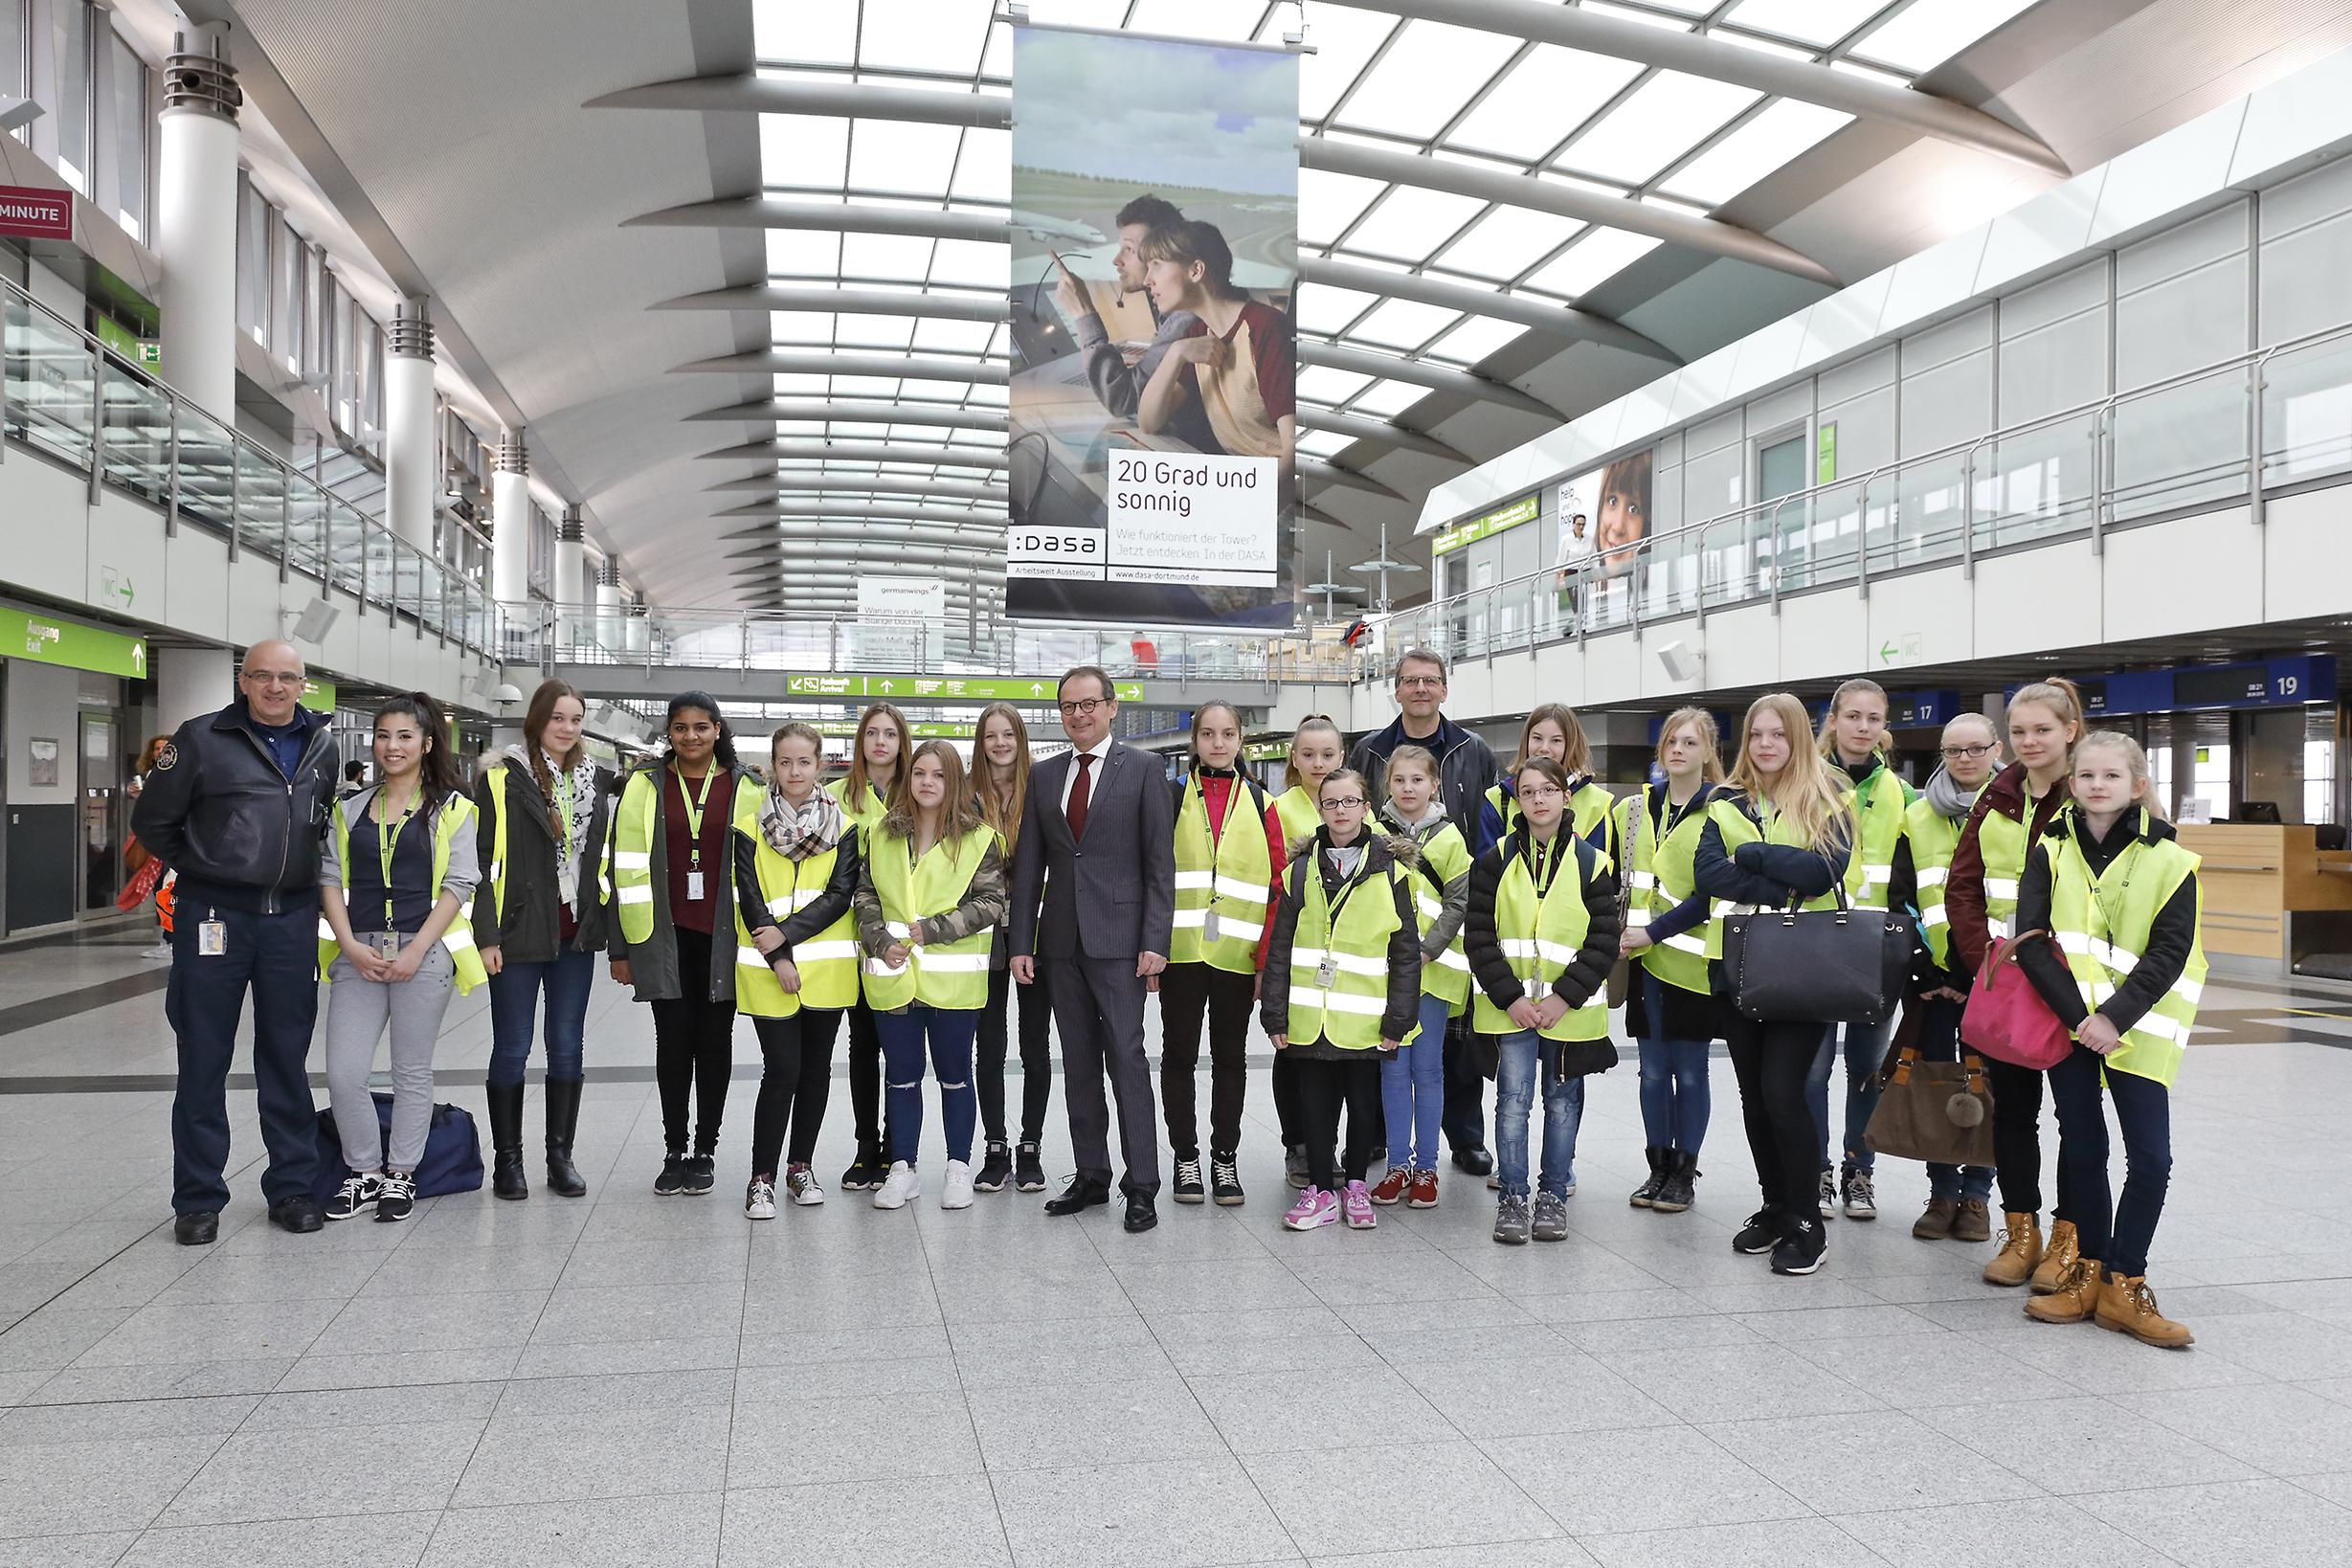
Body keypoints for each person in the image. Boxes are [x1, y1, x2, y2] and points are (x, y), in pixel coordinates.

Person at [132, 638, 342, 1244]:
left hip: (291, 922)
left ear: (303, 684)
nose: (275, 687)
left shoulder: (323, 745)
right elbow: (152, 822)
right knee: (203, 1058)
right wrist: (208, 868)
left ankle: (293, 1188)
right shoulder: (201, 739)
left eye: (287, 678)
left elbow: (317, 826)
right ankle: (198, 1199)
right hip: (214, 918)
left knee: (286, 1057)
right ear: (243, 681)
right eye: (262, 676)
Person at [2013, 733, 2205, 1349]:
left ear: (2137, 786)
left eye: (2112, 776)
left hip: (2139, 1027)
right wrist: (2080, 1019)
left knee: (2151, 1159)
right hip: (2070, 1025)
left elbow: (2170, 952)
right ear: (2072, 784)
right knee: (2084, 1147)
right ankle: (2088, 1275)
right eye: (2088, 775)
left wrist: (2113, 1019)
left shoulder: (2172, 860)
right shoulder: (2050, 848)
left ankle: (2127, 1282)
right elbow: (2030, 941)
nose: (2098, 785)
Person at [1009, 665, 1176, 1234]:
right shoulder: (1044, 774)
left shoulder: (1144, 769)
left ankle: (1142, 1185)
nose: (1078, 715)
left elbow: (1159, 864)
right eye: (1068, 706)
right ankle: (1091, 1173)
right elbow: (1030, 866)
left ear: (1111, 707)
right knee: (1077, 1061)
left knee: (1127, 1058)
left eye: (1088, 704)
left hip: (1122, 944)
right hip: (1060, 944)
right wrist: (1022, 942)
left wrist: (1155, 941)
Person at [1694, 693, 1855, 1277]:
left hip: (1803, 970)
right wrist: (1782, 882)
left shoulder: (1830, 795)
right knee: (1755, 1098)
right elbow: (1709, 874)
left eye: (1778, 734)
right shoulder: (1724, 799)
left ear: (1799, 739)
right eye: (1757, 734)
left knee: (1784, 1093)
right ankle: (1776, 1206)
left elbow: (1823, 871)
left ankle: (1808, 1221)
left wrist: (1754, 853)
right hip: (1737, 966)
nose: (1765, 744)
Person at [317, 694, 484, 1223]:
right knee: (344, 1072)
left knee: (411, 1070)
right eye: (383, 736)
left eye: (405, 737)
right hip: (358, 951)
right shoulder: (348, 808)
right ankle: (363, 1171)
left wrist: (416, 951)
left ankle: (402, 1174)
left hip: (424, 951)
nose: (392, 746)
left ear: (426, 744)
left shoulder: (454, 809)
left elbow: (460, 884)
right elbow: (329, 878)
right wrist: (348, 944)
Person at [1342, 649, 1500, 1180]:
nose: (1420, 689)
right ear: (1397, 689)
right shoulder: (1369, 750)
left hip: (1445, 946)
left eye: (1430, 680)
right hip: (1388, 957)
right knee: (1388, 1054)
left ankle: (1464, 1139)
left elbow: (1486, 830)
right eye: (1410, 680)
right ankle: (1383, 1143)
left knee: (1453, 1052)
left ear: (1444, 689)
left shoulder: (1473, 750)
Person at [1949, 679, 2082, 1291]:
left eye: (2043, 730)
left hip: (2074, 985)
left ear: (2070, 732)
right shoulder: (1996, 796)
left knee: (2078, 1120)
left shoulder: (2087, 794)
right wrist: (1982, 958)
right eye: (2020, 731)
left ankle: (2069, 1240)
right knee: (2014, 1114)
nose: (2030, 742)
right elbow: (1963, 885)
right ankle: (2021, 1232)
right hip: (2007, 981)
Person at [1465, 756, 1621, 1244]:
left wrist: (1562, 999)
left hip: (1566, 1015)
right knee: (1512, 1104)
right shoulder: (1493, 860)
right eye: (1528, 791)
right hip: (1509, 1011)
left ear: (1566, 797)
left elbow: (1602, 942)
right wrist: (1511, 998)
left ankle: (1552, 1194)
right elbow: (1479, 938)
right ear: (1517, 801)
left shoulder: (1593, 863)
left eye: (1548, 790)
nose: (1538, 799)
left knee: (1562, 1103)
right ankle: (1513, 1197)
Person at [473, 680, 616, 1202]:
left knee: (567, 1045)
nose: (567, 728)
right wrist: (485, 935)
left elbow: (600, 857)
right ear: (537, 720)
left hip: (575, 931)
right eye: (558, 718)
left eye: (576, 719)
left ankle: (560, 1158)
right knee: (512, 1046)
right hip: (517, 930)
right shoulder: (502, 778)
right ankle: (508, 1161)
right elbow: (480, 861)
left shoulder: (596, 781)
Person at [1262, 769, 1421, 1233]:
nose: (1340, 811)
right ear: (1320, 810)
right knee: (1315, 1105)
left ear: (1366, 808)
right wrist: (1274, 1014)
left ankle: (1355, 1185)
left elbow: (1405, 953)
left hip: (1365, 1020)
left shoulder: (1391, 872)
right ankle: (1319, 1190)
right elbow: (1280, 948)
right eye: (1331, 803)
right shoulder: (1299, 871)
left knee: (1363, 1104)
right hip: (1309, 1018)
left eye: (1350, 802)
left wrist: (1398, 1019)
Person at [608, 692, 752, 1197]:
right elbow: (619, 866)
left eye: (701, 727)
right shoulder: (644, 784)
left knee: (715, 1043)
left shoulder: (745, 786)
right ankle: (674, 1149)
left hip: (724, 940)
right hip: (660, 937)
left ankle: (705, 1148)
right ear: (669, 733)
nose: (691, 737)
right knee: (671, 1044)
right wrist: (620, 949)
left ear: (718, 730)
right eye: (680, 728)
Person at [856, 740, 1009, 1212]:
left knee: (955, 1076)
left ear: (954, 782)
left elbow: (992, 902)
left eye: (939, 775)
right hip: (893, 976)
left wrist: (934, 929)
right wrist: (879, 940)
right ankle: (903, 1168)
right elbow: (864, 895)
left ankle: (958, 1167)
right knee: (901, 1077)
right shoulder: (882, 833)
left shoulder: (980, 838)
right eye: (920, 773)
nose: (927, 782)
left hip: (953, 983)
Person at [732, 722, 862, 1218]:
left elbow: (840, 895)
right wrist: (778, 956)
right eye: (784, 762)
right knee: (782, 1069)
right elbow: (749, 895)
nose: (794, 771)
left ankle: (800, 1167)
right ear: (772, 765)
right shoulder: (749, 827)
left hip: (825, 972)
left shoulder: (844, 827)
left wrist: (784, 936)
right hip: (768, 971)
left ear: (819, 764)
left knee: (815, 1072)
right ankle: (760, 1176)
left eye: (803, 762)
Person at [1162, 701, 1285, 1206]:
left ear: (1240, 741)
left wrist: (1264, 963)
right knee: (1178, 1056)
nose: (1218, 743)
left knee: (1230, 1059)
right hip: (1181, 954)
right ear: (1195, 741)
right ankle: (1185, 1156)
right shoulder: (1171, 796)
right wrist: (1151, 949)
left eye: (1227, 734)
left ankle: (1224, 1156)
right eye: (1208, 734)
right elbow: (1153, 877)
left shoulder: (1260, 803)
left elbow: (1277, 888)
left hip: (1238, 954)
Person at [1809, 678, 1916, 1222]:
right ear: (1833, 721)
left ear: (1884, 726)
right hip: (1816, 944)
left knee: (1867, 1068)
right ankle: (1816, 1170)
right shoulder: (1805, 781)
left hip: (1877, 950)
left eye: (1873, 718)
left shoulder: (1901, 793)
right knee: (1812, 1070)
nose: (1863, 727)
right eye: (1853, 716)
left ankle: (1859, 1170)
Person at [1620, 707, 1727, 1215]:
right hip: (1643, 963)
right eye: (1671, 741)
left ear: (1708, 752)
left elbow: (1714, 892)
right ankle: (1657, 1167)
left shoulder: (1723, 810)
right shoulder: (1634, 809)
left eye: (1690, 742)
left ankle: (1684, 1172)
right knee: (1651, 1073)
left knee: (1691, 1070)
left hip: (1694, 963)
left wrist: (1653, 931)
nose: (1679, 750)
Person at [1902, 712, 2003, 1243]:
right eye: (1953, 750)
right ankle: (1942, 1191)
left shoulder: (2014, 812)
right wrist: (1924, 965)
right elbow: (1900, 895)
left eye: (1975, 748)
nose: (1964, 759)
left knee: (1987, 1084)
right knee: (1938, 1082)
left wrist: (1969, 970)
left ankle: (1978, 1195)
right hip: (1932, 979)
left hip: (1994, 978)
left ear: (1996, 749)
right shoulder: (1916, 815)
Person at [1369, 744, 1472, 1210]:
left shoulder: (1450, 838)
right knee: (1393, 1069)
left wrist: (1427, 950)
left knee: (1427, 1070)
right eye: (1399, 780)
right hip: (1387, 975)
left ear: (1434, 785)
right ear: (1387, 785)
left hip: (1433, 972)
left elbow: (1458, 902)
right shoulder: (1375, 833)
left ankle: (1427, 1167)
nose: (1408, 788)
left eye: (1417, 780)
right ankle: (1398, 1165)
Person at [1050, 192, 1221, 453]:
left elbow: (1123, 399)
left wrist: (1083, 312)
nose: (1116, 260)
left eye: (1130, 249)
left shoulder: (1187, 319)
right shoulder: (1178, 312)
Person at [971, 702, 1051, 1196]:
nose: (1000, 744)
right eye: (991, 736)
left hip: (1034, 933)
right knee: (990, 1044)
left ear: (1021, 740)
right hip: (981, 936)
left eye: (1008, 735)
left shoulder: (1040, 788)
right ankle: (995, 1146)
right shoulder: (966, 795)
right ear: (980, 744)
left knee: (1035, 1043)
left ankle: (1031, 1145)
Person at [1135, 219, 1296, 466]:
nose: (1147, 280)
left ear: (1196, 271)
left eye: (1156, 264)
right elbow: (1148, 421)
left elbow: (1294, 452)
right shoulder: (1198, 334)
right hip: (1242, 477)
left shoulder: (1265, 327)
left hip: (1278, 483)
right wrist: (1175, 353)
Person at [830, 702, 907, 1192]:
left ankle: (898, 1146)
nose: (881, 742)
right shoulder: (836, 796)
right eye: (872, 733)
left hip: (900, 941)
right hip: (849, 938)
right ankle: (865, 1148)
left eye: (890, 734)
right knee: (862, 1045)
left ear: (902, 742)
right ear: (860, 741)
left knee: (898, 1047)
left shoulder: (918, 789)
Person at [1270, 715, 1346, 1188]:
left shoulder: (1359, 808)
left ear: (1342, 757)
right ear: (1294, 759)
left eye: (1328, 754)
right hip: (1297, 950)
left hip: (1345, 957)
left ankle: (1331, 1144)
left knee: (1339, 1050)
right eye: (1309, 754)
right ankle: (1298, 1145)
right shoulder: (1278, 810)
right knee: (1293, 1051)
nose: (1319, 763)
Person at [1476, 703, 1616, 859]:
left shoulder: (1596, 803)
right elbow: (1486, 866)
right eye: (1537, 738)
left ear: (1570, 744)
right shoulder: (1498, 799)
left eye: (1556, 740)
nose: (1544, 748)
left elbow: (1597, 868)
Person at [127, 735, 175, 959]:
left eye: (165, 748)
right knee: (159, 889)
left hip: (170, 841)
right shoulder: (150, 775)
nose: (160, 752)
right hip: (153, 843)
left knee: (169, 888)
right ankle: (165, 938)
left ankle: (172, 939)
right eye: (156, 748)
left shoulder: (176, 774)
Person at [1553, 511, 1594, 633]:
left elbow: (1594, 557)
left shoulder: (1589, 539)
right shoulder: (1566, 539)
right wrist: (1556, 579)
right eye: (1578, 524)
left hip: (1585, 571)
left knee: (1584, 600)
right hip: (1571, 572)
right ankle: (1579, 627)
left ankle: (1580, 626)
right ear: (1573, 525)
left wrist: (1597, 572)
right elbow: (1560, 559)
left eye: (1583, 524)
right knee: (1575, 602)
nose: (1581, 527)